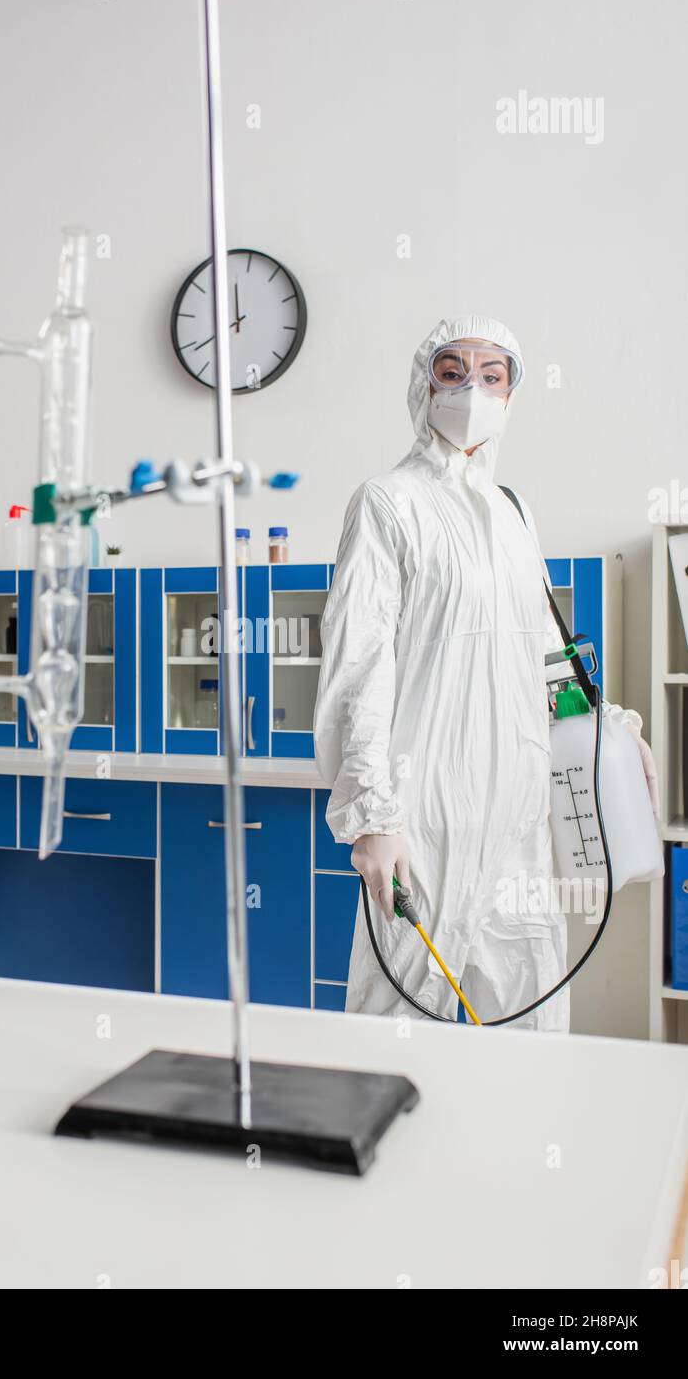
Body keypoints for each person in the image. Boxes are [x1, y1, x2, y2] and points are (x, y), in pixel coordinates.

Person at [313, 314, 658, 1029]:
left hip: (517, 810)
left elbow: (539, 651)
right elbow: (360, 663)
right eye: (452, 370)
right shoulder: (387, 502)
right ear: (423, 382)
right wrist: (374, 817)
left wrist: (609, 732)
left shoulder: (512, 511)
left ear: (511, 392)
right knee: (400, 1019)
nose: (472, 388)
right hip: (426, 808)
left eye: (492, 375)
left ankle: (520, 1144)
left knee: (529, 1010)